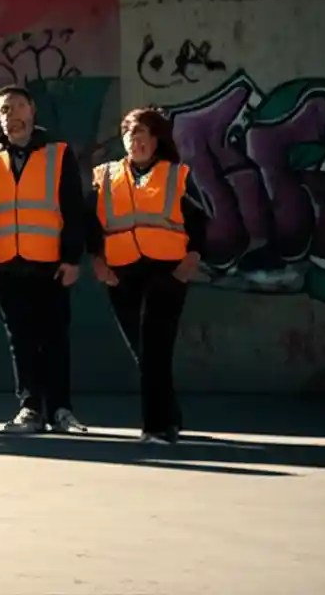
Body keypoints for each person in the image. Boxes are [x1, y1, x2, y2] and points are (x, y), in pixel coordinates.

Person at [0, 85, 89, 434]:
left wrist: (72, 258)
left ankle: (61, 410)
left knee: (54, 338)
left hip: (50, 265)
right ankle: (30, 408)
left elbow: (74, 209)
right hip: (7, 265)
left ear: (32, 110)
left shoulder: (58, 154)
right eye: (4, 110)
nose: (12, 115)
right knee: (20, 340)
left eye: (18, 106)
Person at [89, 107, 206, 445]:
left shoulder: (176, 175)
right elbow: (89, 222)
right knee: (143, 350)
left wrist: (191, 260)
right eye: (129, 134)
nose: (135, 141)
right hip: (121, 273)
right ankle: (170, 416)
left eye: (142, 134)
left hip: (166, 273)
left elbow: (199, 221)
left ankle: (155, 427)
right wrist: (97, 261)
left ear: (156, 140)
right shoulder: (106, 176)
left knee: (156, 348)